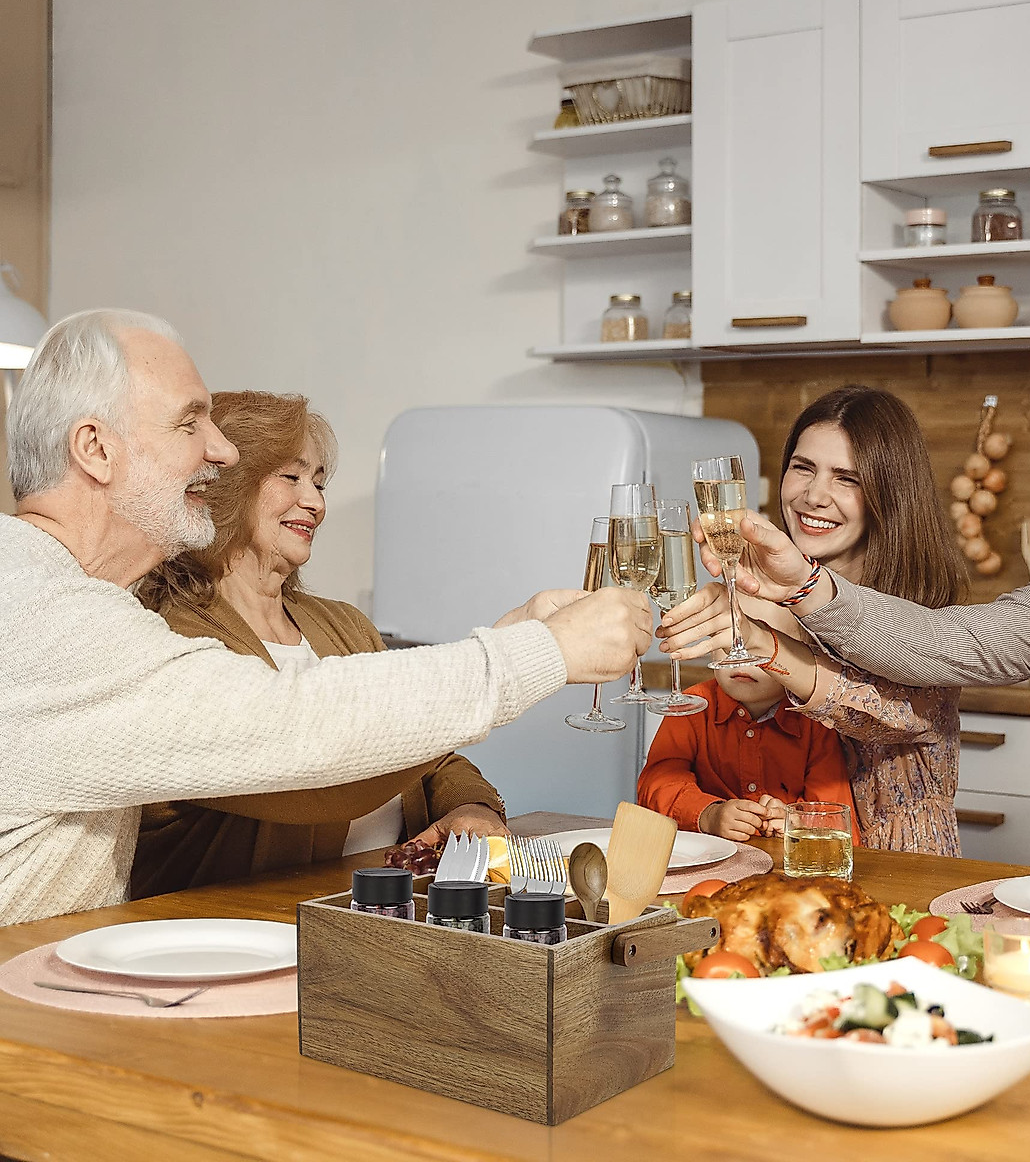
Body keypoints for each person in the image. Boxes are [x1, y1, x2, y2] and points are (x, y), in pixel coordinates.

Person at [0, 309, 651, 926]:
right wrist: (541, 650)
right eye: (189, 422)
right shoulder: (43, 616)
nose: (221, 450)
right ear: (95, 448)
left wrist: (519, 640)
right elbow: (290, 730)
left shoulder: (64, 599)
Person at [688, 368, 1030, 878]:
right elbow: (932, 644)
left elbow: (893, 707)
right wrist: (800, 587)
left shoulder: (920, 590)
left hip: (899, 867)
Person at [131, 390, 508, 899]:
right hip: (233, 934)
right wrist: (508, 660)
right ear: (224, 482)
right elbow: (310, 770)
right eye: (291, 477)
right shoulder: (172, 635)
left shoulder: (345, 625)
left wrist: (472, 809)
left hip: (376, 918)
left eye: (320, 482)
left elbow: (433, 754)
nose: (316, 502)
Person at [659, 386, 967, 855]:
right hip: (791, 867)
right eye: (803, 468)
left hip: (901, 866)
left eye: (848, 478)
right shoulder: (766, 585)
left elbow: (888, 714)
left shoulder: (926, 615)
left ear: (890, 493)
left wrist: (767, 647)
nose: (814, 495)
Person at [637, 646, 859, 843]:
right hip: (705, 863)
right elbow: (656, 785)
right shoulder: (691, 707)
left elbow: (836, 815)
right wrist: (708, 815)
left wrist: (798, 822)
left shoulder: (816, 720)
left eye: (759, 646)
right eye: (727, 642)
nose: (740, 658)